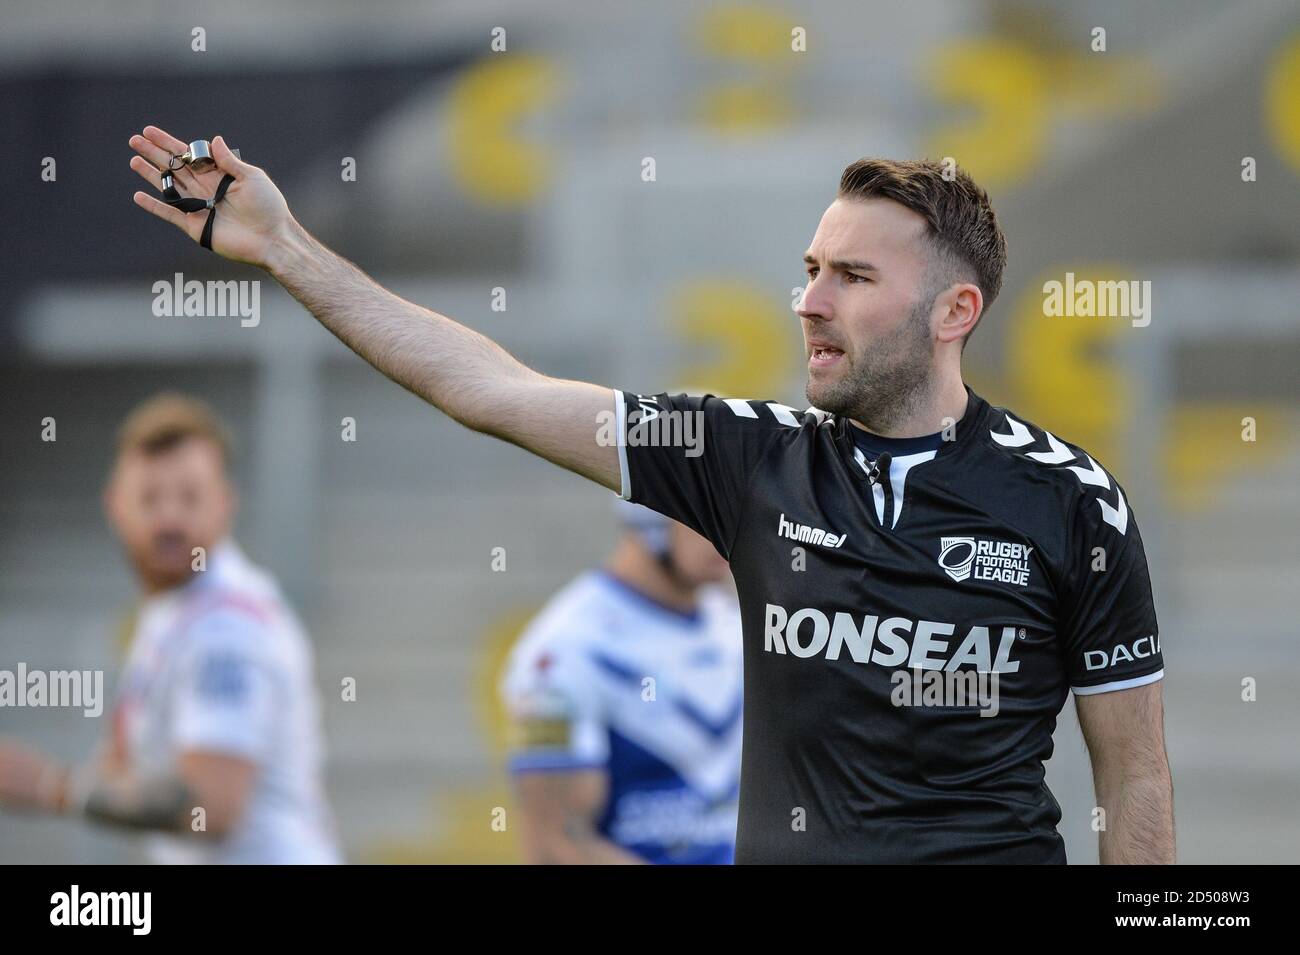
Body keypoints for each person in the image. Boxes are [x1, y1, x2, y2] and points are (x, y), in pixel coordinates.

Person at [125, 128, 1173, 864]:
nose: (807, 300)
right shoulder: (743, 458)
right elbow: (490, 390)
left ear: (954, 310)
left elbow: (1133, 784)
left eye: (851, 276)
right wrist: (284, 248)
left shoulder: (1073, 506)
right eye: (809, 268)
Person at [0, 393, 341, 864]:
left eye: (189, 497)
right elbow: (127, 770)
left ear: (225, 505)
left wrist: (49, 787)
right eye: (149, 498)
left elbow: (213, 803)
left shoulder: (228, 624)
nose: (169, 519)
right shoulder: (174, 608)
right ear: (114, 506)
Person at [501, 501, 743, 864]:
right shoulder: (557, 654)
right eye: (708, 509)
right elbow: (554, 847)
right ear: (650, 512)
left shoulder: (738, 622)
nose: (730, 530)